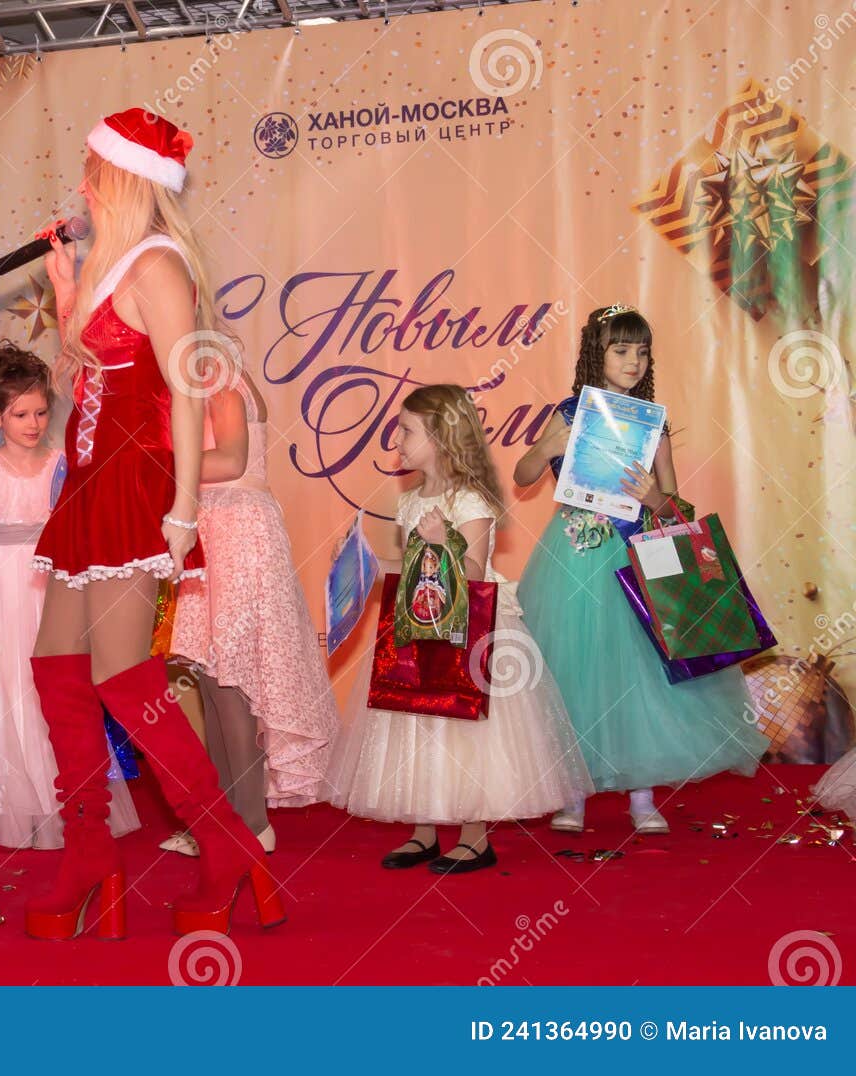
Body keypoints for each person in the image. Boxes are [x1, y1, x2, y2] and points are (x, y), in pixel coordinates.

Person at [24, 108, 279, 940]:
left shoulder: (160, 264)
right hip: (89, 487)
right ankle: (88, 851)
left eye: (95, 170)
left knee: (126, 681)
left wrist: (181, 506)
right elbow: (88, 375)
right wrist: (67, 302)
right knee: (57, 671)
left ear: (129, 179)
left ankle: (226, 845)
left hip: (136, 486)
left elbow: (186, 390)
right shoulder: (111, 265)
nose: (84, 186)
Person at [514, 305, 769, 834]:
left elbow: (672, 497)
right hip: (574, 553)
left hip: (633, 551)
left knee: (641, 676)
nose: (633, 361)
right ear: (595, 353)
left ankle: (642, 794)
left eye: (642, 350)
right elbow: (523, 474)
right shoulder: (567, 413)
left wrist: (656, 496)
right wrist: (545, 447)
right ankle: (572, 792)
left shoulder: (652, 421)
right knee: (573, 671)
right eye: (621, 349)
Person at [325, 385, 594, 873]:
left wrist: (442, 537)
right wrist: (361, 562)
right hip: (420, 625)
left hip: (470, 632)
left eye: (407, 430)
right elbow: (411, 567)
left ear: (442, 438)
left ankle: (474, 834)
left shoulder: (470, 499)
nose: (398, 440)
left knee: (466, 728)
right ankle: (424, 829)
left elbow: (469, 573)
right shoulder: (409, 502)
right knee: (418, 721)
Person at [0, 343, 141, 848]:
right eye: (21, 414)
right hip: (0, 582)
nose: (34, 422)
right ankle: (14, 799)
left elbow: (74, 525)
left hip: (49, 580)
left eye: (42, 411)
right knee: (5, 687)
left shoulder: (61, 463)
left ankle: (66, 800)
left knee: (53, 688)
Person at [160, 369, 339, 857]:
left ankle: (250, 822)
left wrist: (154, 462)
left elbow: (232, 459)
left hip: (233, 526)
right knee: (214, 681)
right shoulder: (208, 373)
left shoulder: (214, 374)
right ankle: (224, 819)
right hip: (216, 524)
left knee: (232, 680)